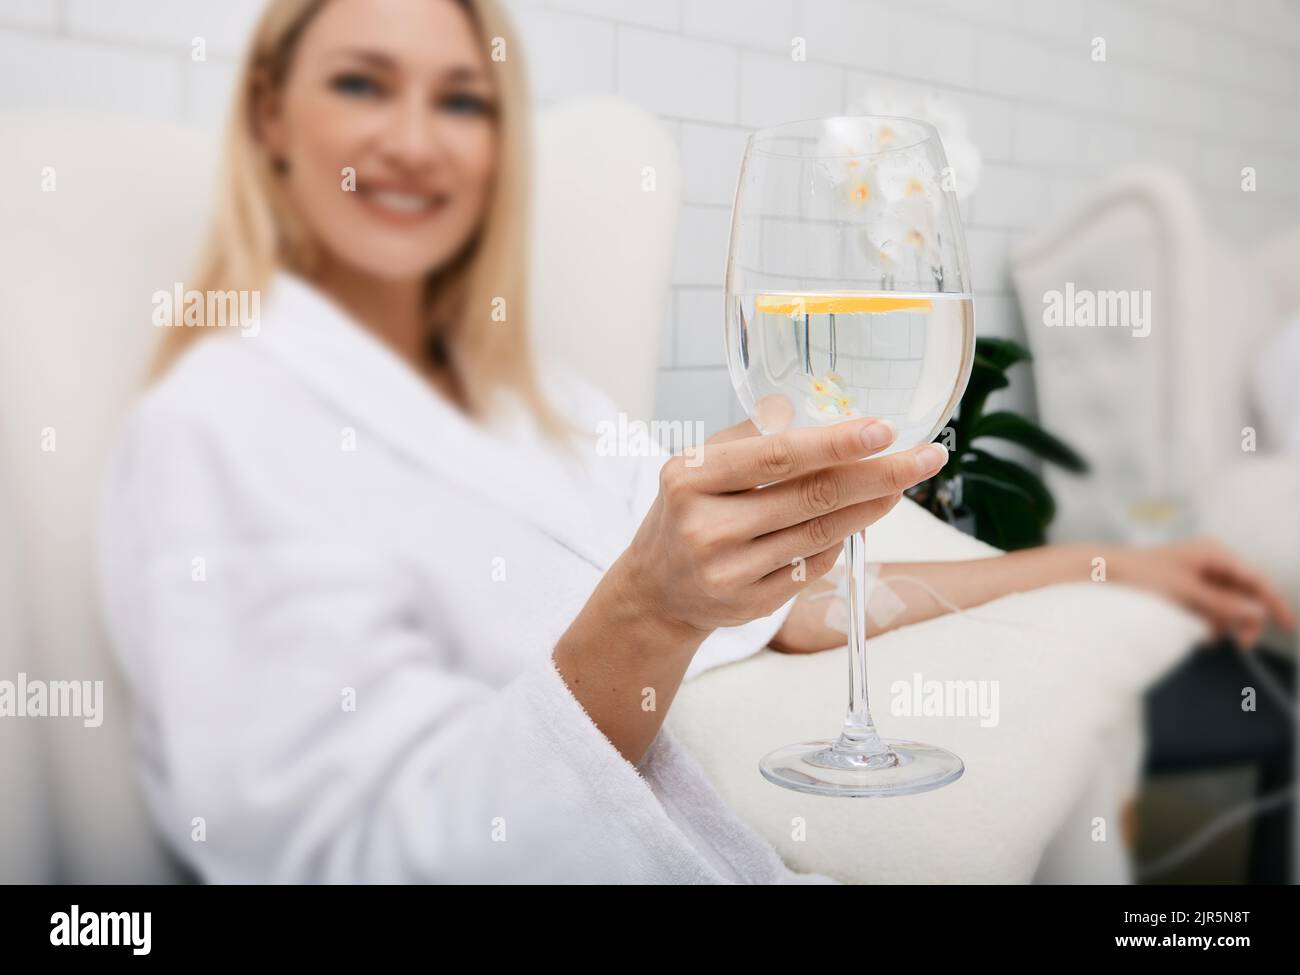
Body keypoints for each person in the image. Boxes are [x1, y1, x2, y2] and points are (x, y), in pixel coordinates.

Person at [98, 0, 1294, 884]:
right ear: (270, 116)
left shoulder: (535, 402)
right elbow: (332, 855)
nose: (416, 140)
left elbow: (802, 606)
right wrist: (649, 616)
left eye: (462, 99)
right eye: (363, 83)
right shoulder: (217, 425)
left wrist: (1108, 564)